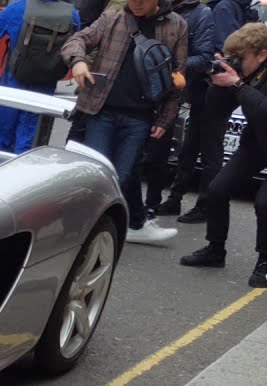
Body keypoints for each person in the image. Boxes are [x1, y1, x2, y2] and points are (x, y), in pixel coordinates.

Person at [178, 23, 267, 288]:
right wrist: (221, 81)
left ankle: (265, 263)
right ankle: (215, 250)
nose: (237, 64)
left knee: (265, 200)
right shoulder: (250, 69)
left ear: (262, 55)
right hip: (260, 138)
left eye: (240, 59)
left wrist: (237, 83)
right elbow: (216, 110)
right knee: (218, 188)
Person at [62, 0, 187, 244]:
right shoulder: (112, 18)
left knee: (122, 175)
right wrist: (77, 60)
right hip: (101, 110)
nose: (137, 3)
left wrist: (166, 118)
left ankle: (130, 225)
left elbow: (178, 77)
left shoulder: (177, 26)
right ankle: (95, 231)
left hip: (140, 116)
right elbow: (77, 40)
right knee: (99, 175)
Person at [175, 0, 256, 223]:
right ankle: (177, 198)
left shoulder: (225, 7)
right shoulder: (236, 7)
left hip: (213, 87)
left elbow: (224, 49)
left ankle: (203, 205)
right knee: (194, 145)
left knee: (208, 149)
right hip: (214, 88)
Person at [0, 0, 81, 153]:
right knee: (29, 144)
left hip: (12, 85)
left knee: (1, 140)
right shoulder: (73, 15)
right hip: (44, 90)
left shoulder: (18, 8)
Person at [149, 0, 214, 216]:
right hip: (142, 89)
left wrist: (167, 69)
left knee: (161, 151)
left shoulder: (201, 14)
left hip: (177, 92)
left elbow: (204, 58)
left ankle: (152, 205)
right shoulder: (148, 7)